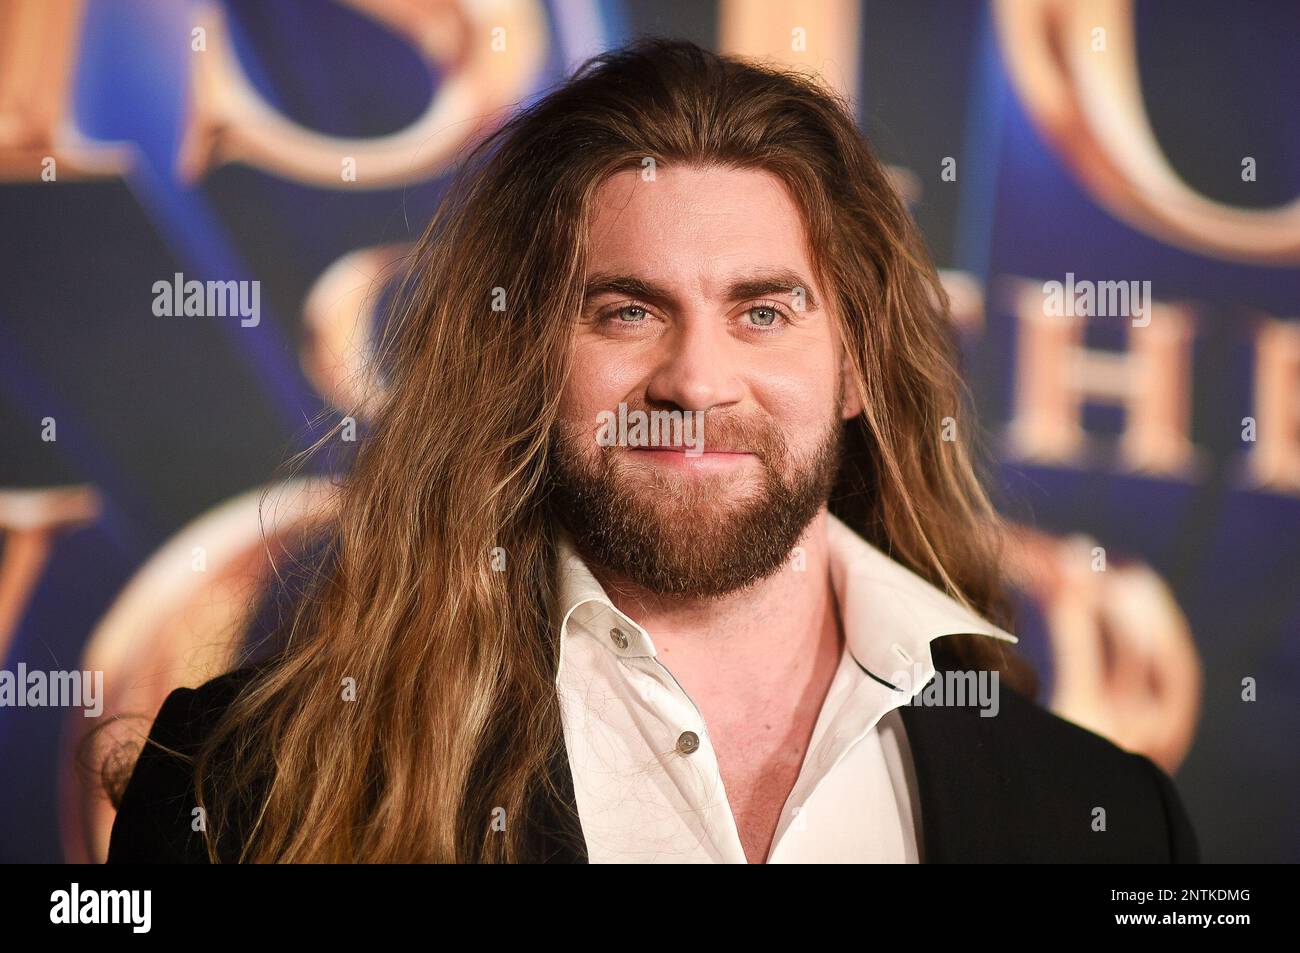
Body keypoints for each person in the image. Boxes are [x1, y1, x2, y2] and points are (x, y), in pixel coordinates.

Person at [107, 38, 1198, 864]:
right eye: (626, 311)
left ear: (858, 366)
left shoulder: (1105, 819)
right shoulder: (240, 788)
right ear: (525, 357)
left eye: (764, 311)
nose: (695, 380)